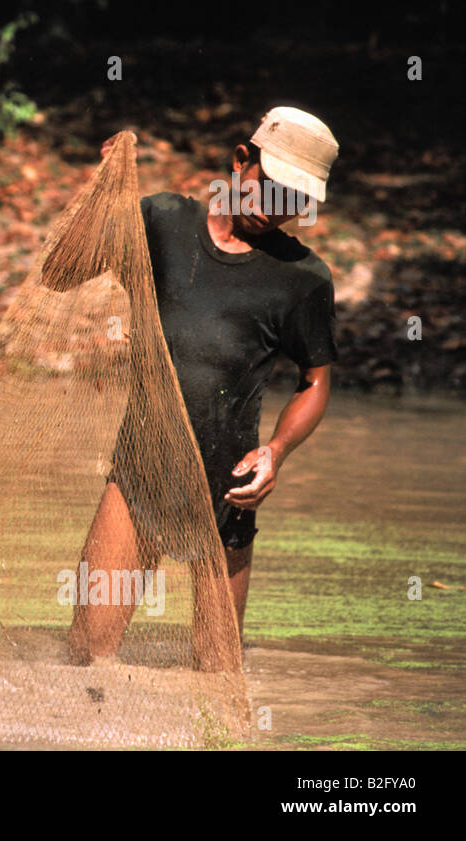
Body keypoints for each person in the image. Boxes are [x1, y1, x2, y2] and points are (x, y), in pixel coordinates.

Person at [63, 107, 339, 666]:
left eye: (296, 200)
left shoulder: (303, 281)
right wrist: (101, 195)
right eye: (272, 187)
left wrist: (276, 453)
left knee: (217, 673)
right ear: (241, 162)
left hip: (230, 484)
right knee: (85, 659)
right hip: (142, 465)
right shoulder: (164, 222)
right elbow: (61, 273)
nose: (276, 208)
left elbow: (314, 382)